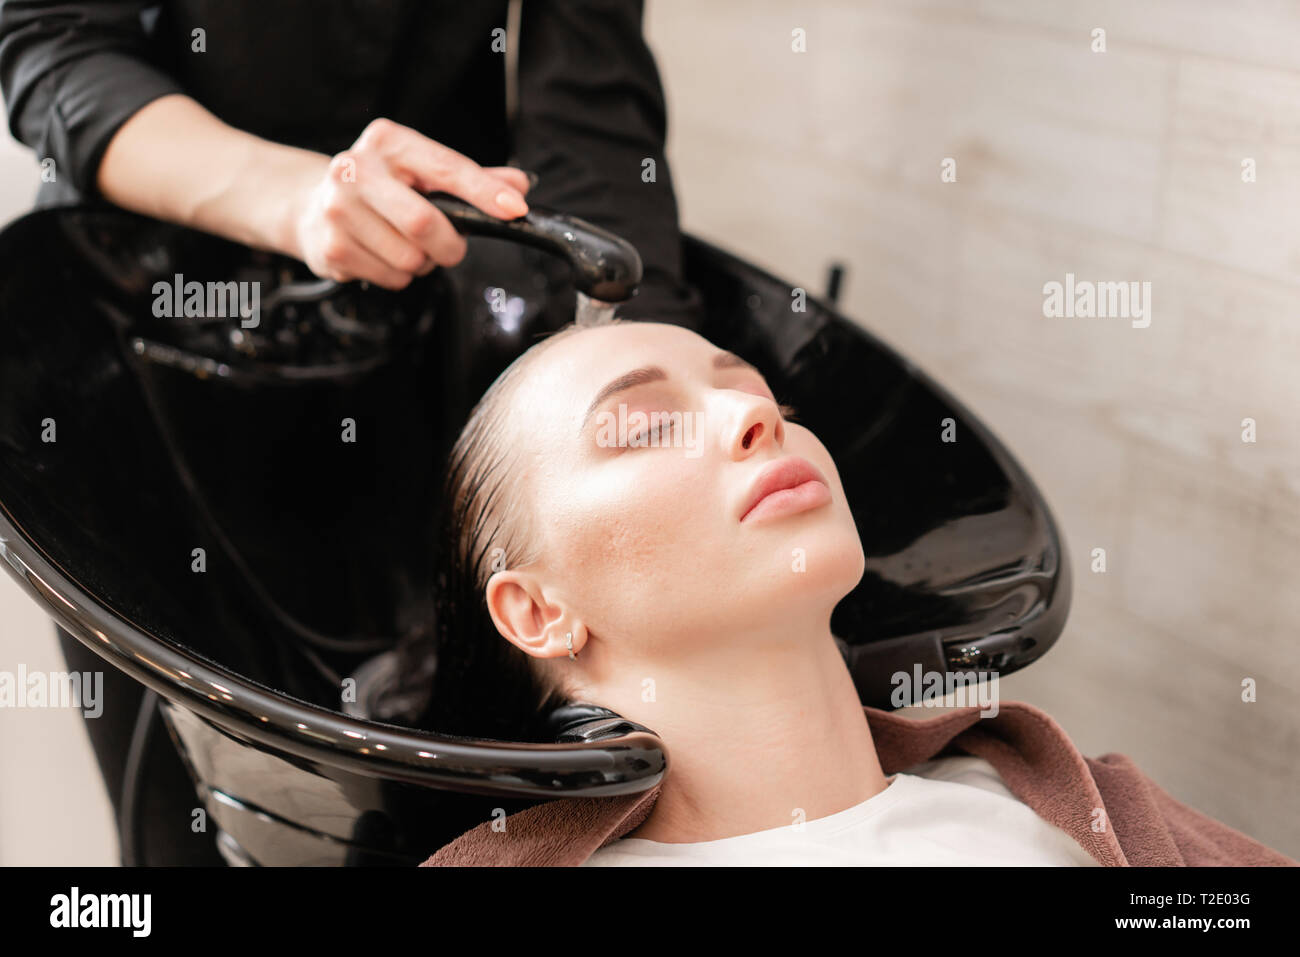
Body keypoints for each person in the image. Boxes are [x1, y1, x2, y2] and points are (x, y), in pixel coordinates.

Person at [0, 0, 703, 865]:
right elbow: (56, 48)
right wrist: (296, 197)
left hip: (425, 342)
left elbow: (590, 116)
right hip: (137, 355)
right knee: (181, 825)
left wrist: (660, 396)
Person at [415, 313, 1297, 866]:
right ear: (538, 610)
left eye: (763, 396)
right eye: (646, 426)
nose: (752, 416)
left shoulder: (1074, 810)